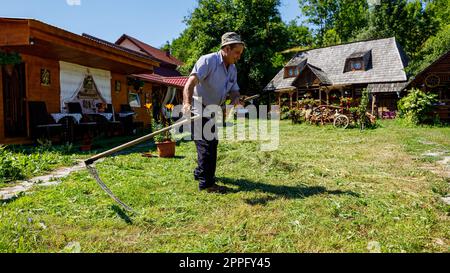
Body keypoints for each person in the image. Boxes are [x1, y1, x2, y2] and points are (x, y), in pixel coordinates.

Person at [182, 32, 245, 193]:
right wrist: (187, 103)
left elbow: (234, 91)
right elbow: (190, 83)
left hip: (214, 110)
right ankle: (207, 184)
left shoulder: (232, 69)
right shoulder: (207, 60)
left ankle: (200, 173)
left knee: (210, 143)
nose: (238, 57)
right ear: (226, 48)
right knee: (207, 145)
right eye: (236, 52)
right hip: (198, 108)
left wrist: (236, 99)